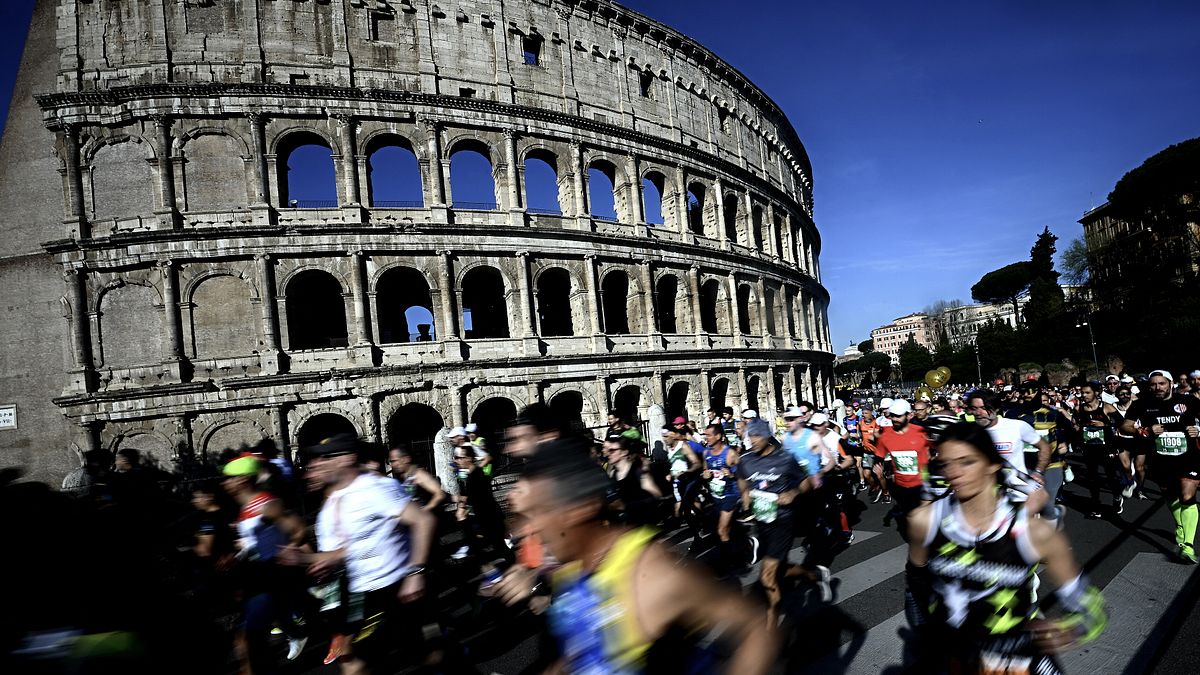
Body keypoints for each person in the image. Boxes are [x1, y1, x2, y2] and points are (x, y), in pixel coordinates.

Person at [492, 451, 779, 674]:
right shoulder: (571, 567)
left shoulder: (651, 573)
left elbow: (754, 630)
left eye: (538, 514)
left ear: (580, 509)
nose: (524, 532)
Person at [906, 422, 1106, 673]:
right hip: (954, 656)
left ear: (993, 463)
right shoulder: (924, 521)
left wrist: (1071, 629)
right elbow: (915, 585)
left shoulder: (1033, 532)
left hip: (1015, 658)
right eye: (946, 463)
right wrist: (928, 637)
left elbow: (1092, 611)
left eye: (967, 462)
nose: (954, 472)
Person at [279, 434, 435, 675]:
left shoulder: (375, 488)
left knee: (430, 656)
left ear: (347, 458)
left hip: (398, 587)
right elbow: (343, 552)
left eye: (325, 458)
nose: (317, 465)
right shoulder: (332, 504)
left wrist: (416, 573)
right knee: (351, 660)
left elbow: (423, 520)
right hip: (362, 594)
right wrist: (306, 560)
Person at [738, 418, 815, 625]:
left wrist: (793, 492)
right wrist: (745, 496)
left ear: (767, 436)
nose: (752, 440)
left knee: (767, 577)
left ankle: (771, 626)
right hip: (762, 522)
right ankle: (810, 573)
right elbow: (742, 479)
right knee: (777, 569)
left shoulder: (785, 459)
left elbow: (807, 481)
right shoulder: (746, 459)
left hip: (783, 521)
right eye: (749, 436)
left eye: (756, 436)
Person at [1120, 370, 1200, 562]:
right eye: (1154, 384)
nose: (1158, 388)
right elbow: (1124, 426)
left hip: (1188, 457)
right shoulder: (1143, 404)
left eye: (1162, 384)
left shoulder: (1188, 401)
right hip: (1160, 459)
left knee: (1187, 495)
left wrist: (1197, 429)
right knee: (1170, 495)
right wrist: (1144, 430)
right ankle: (1180, 525)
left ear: (1171, 383)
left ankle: (1188, 546)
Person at [967, 389, 1055, 525]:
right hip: (987, 497)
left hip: (1018, 494)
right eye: (974, 408)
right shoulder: (969, 433)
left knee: (1025, 538)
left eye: (984, 408)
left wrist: (1038, 472)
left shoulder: (1016, 426)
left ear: (996, 409)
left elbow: (1044, 446)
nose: (979, 413)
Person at [875, 399, 931, 538]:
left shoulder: (921, 432)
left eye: (898, 416)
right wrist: (878, 467)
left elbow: (938, 450)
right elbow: (879, 456)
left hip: (923, 484)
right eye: (892, 415)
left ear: (909, 415)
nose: (894, 419)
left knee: (924, 519)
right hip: (901, 485)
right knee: (910, 518)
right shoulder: (886, 435)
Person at [1076, 381, 1131, 518]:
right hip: (1090, 447)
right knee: (1092, 479)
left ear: (1096, 393)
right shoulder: (1079, 408)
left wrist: (1104, 424)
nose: (1084, 395)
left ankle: (1117, 497)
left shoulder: (1106, 408)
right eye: (1082, 393)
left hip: (1107, 447)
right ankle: (1096, 506)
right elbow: (1076, 424)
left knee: (1111, 477)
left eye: (1087, 392)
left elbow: (1121, 424)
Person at [701, 422, 742, 562]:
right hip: (715, 496)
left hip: (730, 494)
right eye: (705, 435)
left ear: (718, 436)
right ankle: (745, 545)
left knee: (722, 530)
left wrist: (731, 474)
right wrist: (705, 476)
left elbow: (744, 474)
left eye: (708, 435)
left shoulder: (729, 453)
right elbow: (705, 471)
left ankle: (727, 563)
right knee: (725, 529)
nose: (706, 438)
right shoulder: (706, 453)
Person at [605, 434, 663, 525]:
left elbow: (657, 495)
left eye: (612, 451)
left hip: (643, 526)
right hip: (625, 526)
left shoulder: (638, 471)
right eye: (608, 450)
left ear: (624, 452)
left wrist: (626, 506)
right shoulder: (613, 473)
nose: (608, 453)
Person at [388, 445, 446, 513]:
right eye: (391, 462)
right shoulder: (401, 477)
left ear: (406, 459)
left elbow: (440, 494)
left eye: (394, 461)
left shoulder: (419, 474)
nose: (393, 465)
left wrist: (424, 511)